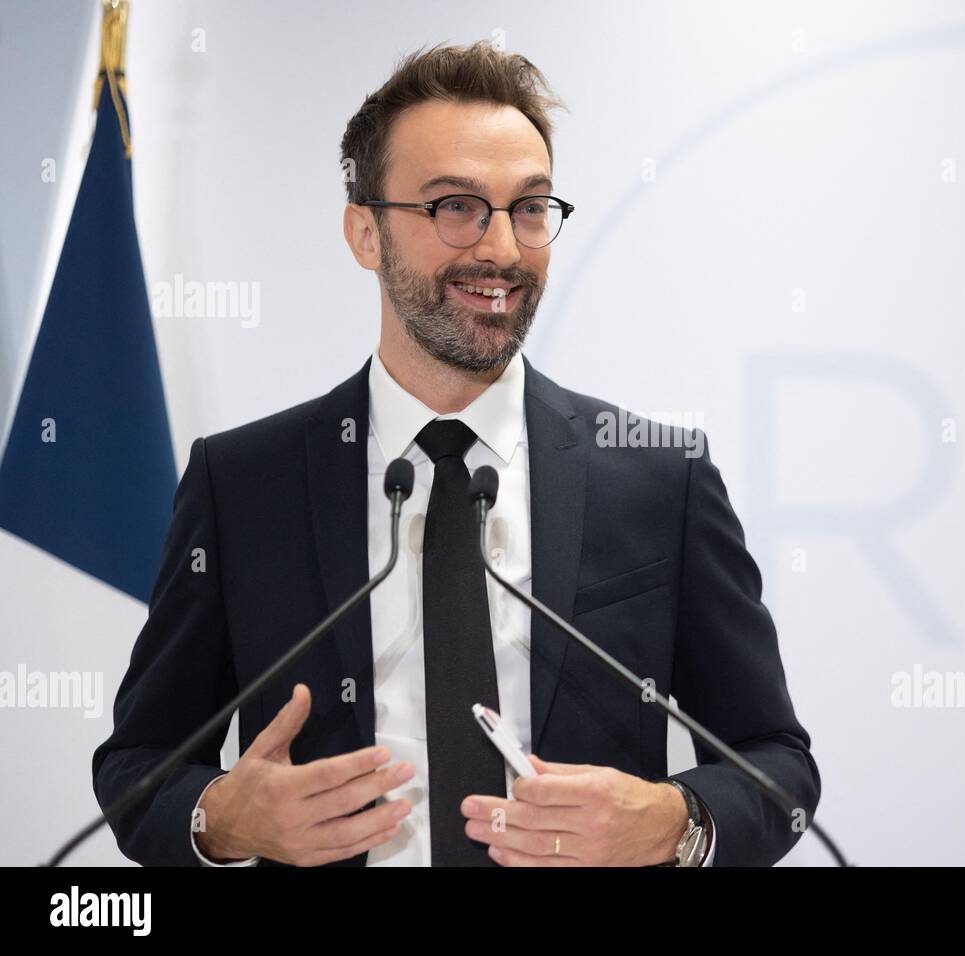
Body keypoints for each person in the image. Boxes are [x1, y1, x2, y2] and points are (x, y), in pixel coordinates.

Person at [92, 40, 819, 867]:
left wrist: (677, 822)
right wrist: (220, 816)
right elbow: (137, 767)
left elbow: (779, 765)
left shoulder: (661, 477)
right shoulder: (241, 485)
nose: (503, 251)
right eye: (455, 207)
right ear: (365, 234)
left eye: (530, 207)